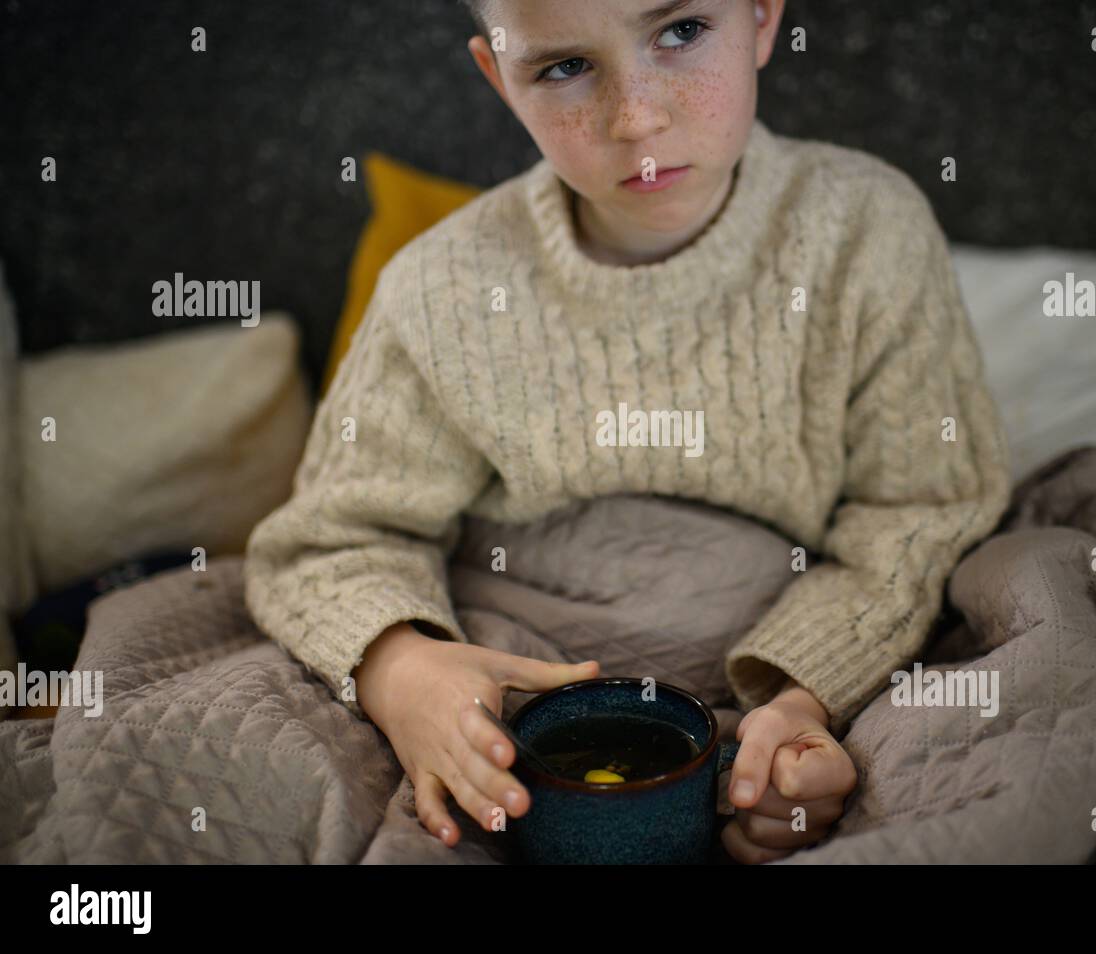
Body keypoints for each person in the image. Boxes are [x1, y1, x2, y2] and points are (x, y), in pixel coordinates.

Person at [243, 0, 1012, 864]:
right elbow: (329, 541)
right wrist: (398, 673)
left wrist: (800, 703)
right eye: (564, 67)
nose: (636, 117)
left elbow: (919, 508)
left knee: (1028, 722)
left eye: (681, 32)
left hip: (764, 655)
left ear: (761, 18)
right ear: (500, 76)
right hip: (492, 676)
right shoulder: (441, 287)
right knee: (241, 755)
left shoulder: (867, 232)